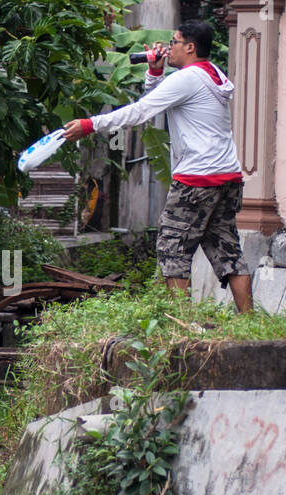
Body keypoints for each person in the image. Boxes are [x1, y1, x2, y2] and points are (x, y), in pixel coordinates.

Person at [63, 20, 253, 313]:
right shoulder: (212, 73)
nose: (169, 47)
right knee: (227, 248)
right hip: (227, 176)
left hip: (197, 180)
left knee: (172, 247)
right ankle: (249, 320)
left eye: (175, 41)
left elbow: (141, 111)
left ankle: (183, 323)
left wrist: (90, 124)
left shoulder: (187, 78)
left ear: (190, 47)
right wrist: (154, 70)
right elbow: (159, 100)